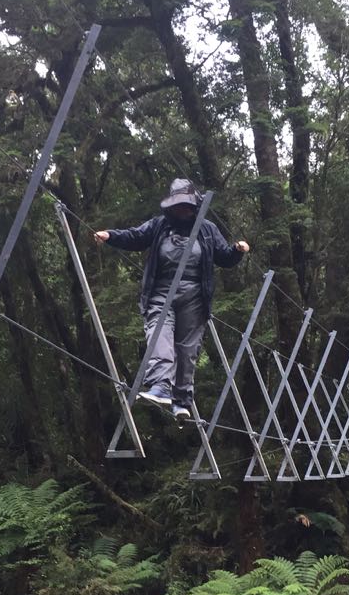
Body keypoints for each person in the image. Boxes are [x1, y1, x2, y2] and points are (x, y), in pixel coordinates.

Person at [94, 179, 250, 421]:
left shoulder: (207, 229)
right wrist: (110, 236)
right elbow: (135, 236)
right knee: (158, 333)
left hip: (195, 296)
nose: (182, 211)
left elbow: (224, 257)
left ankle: (182, 401)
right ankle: (160, 385)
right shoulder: (159, 226)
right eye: (177, 206)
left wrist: (237, 251)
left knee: (187, 349)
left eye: (186, 206)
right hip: (161, 290)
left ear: (194, 206)